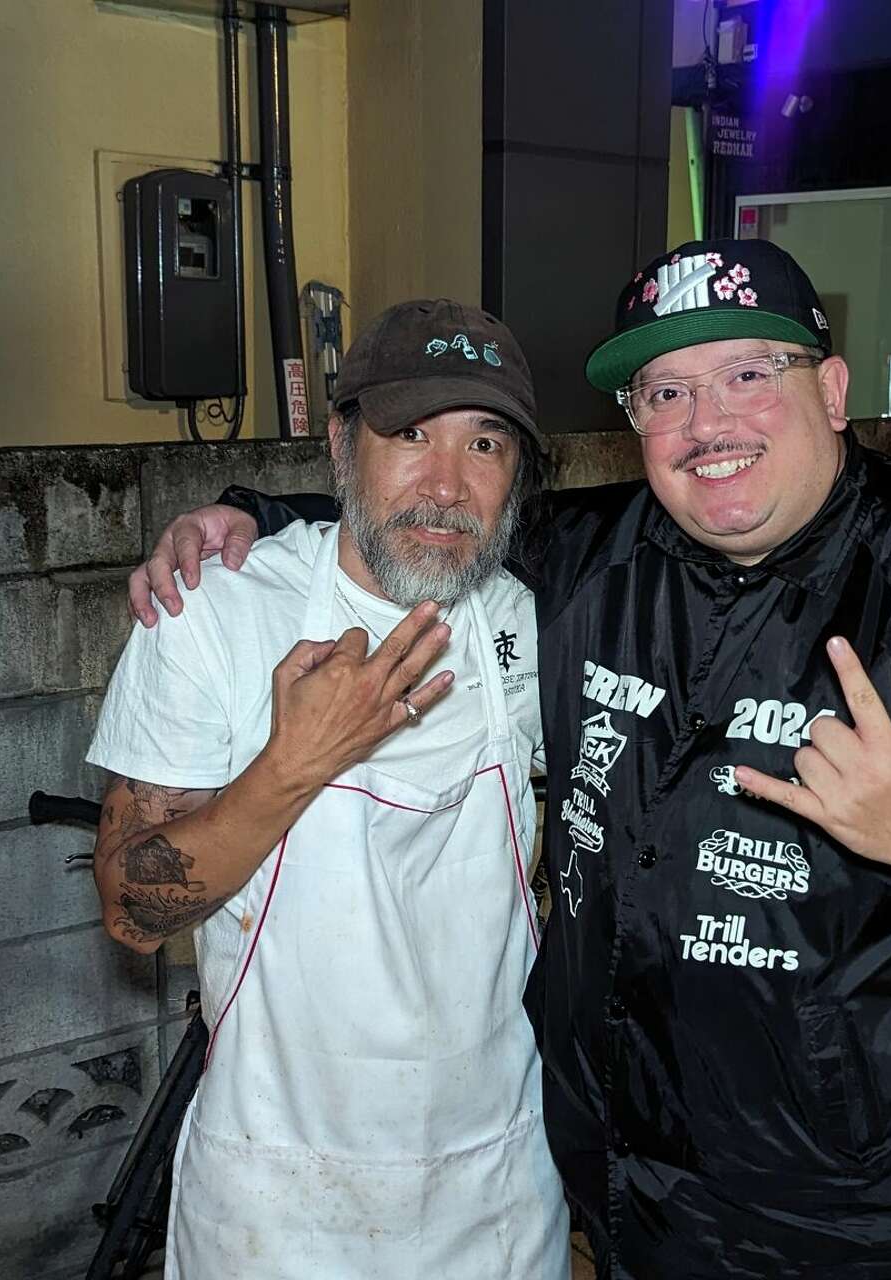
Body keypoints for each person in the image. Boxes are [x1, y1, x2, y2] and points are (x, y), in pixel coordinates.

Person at [133, 240, 891, 1279]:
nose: (708, 424)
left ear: (832, 391)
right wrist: (251, 516)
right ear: (635, 422)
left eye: (747, 372)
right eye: (666, 392)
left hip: (865, 1240)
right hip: (638, 1214)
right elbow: (432, 519)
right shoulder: (600, 559)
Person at [87, 298, 569, 1277]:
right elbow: (133, 910)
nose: (446, 483)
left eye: (485, 443)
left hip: (499, 1184)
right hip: (279, 1201)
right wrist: (293, 764)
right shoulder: (210, 614)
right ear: (342, 449)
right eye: (410, 436)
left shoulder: (538, 620)